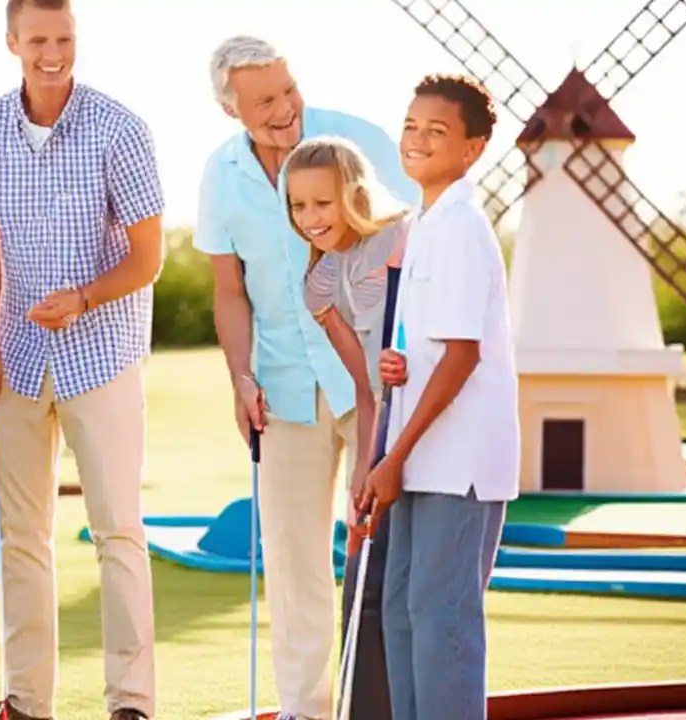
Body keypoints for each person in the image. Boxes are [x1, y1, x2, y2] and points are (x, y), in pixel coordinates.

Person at [0, 1, 165, 718]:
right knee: (21, 538)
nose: (53, 52)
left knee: (118, 532)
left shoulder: (120, 128)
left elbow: (148, 259)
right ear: (11, 42)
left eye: (64, 38)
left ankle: (131, 702)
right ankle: (25, 702)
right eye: (38, 39)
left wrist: (81, 298)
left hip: (101, 357)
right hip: (14, 359)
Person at [193, 35, 417, 720]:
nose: (286, 108)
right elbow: (230, 291)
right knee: (293, 559)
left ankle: (389, 703)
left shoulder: (360, 142)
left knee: (393, 546)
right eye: (265, 100)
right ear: (231, 110)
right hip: (282, 388)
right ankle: (305, 710)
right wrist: (239, 376)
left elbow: (416, 251)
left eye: (289, 90)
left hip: (371, 380)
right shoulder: (220, 173)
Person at [356, 73, 519, 720]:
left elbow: (463, 356)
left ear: (473, 148)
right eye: (411, 125)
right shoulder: (424, 222)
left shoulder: (460, 226)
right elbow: (435, 349)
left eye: (438, 131)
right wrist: (400, 362)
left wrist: (392, 457)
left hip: (458, 465)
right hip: (419, 457)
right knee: (402, 613)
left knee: (441, 621)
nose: (418, 139)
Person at [285, 135, 411, 503]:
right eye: (298, 206)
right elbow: (367, 385)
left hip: (428, 419)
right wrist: (363, 470)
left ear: (356, 195)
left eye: (323, 203)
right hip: (385, 425)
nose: (310, 219)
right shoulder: (319, 286)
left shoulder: (402, 238)